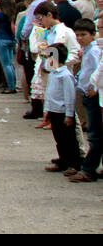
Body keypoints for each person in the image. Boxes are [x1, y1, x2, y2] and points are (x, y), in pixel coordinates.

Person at [43, 42, 82, 175]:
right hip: (54, 111)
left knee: (69, 139)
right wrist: (47, 110)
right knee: (59, 138)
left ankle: (75, 164)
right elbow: (49, 93)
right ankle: (63, 160)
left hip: (63, 112)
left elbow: (70, 97)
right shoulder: (53, 74)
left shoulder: (65, 76)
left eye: (48, 58)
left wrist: (69, 115)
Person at [72, 19, 100, 182]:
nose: (80, 38)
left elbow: (97, 70)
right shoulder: (88, 50)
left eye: (83, 35)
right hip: (83, 91)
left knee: (94, 134)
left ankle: (88, 169)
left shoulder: (94, 51)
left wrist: (94, 87)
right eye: (78, 35)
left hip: (92, 94)